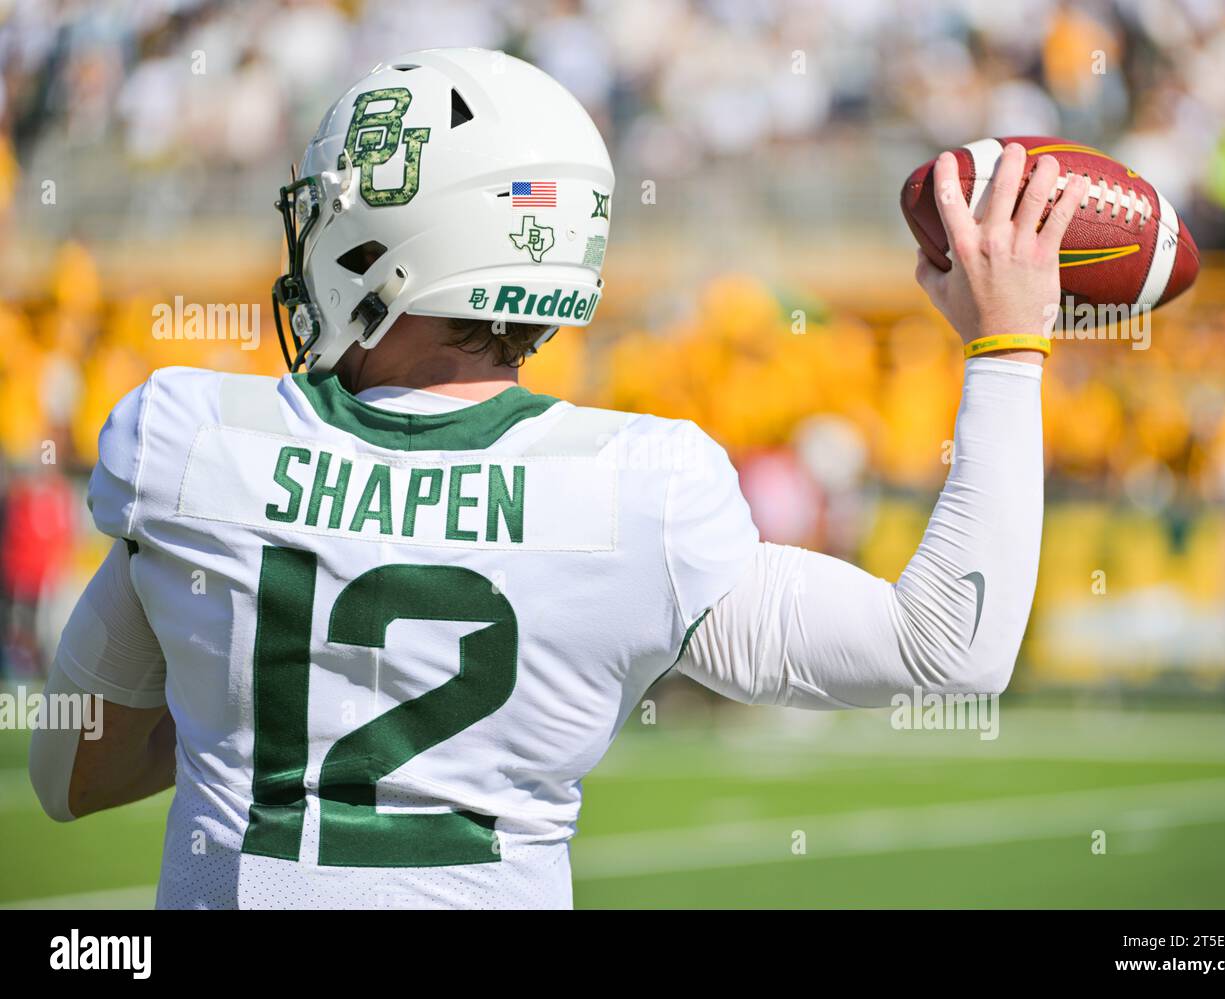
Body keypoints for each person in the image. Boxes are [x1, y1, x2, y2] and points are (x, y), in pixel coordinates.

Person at [28, 48, 1087, 909]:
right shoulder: (640, 491)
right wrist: (1003, 350)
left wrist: (258, 708)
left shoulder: (189, 440)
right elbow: (949, 647)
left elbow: (68, 776)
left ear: (385, 242)